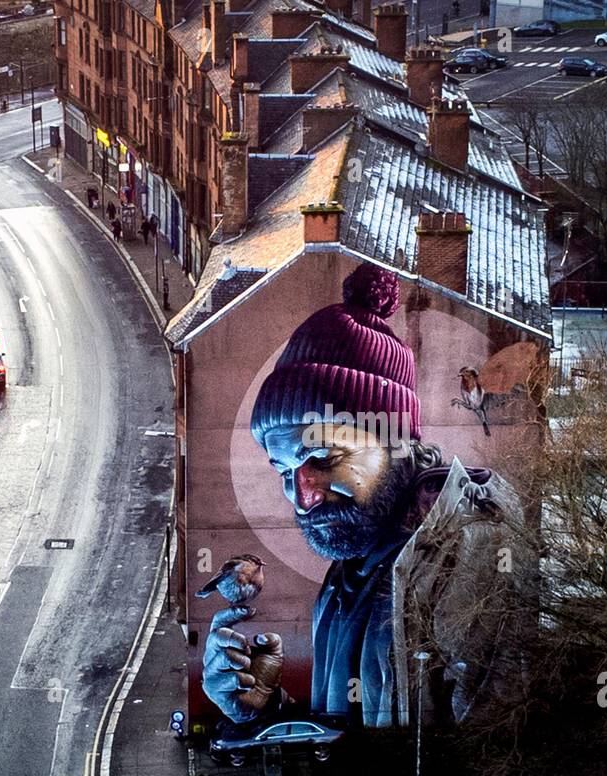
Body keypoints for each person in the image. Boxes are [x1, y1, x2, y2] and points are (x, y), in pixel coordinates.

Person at [202, 263, 533, 730]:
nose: (303, 496)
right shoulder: (362, 560)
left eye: (323, 456)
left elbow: (481, 773)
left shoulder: (471, 551)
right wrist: (266, 708)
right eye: (284, 471)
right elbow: (358, 749)